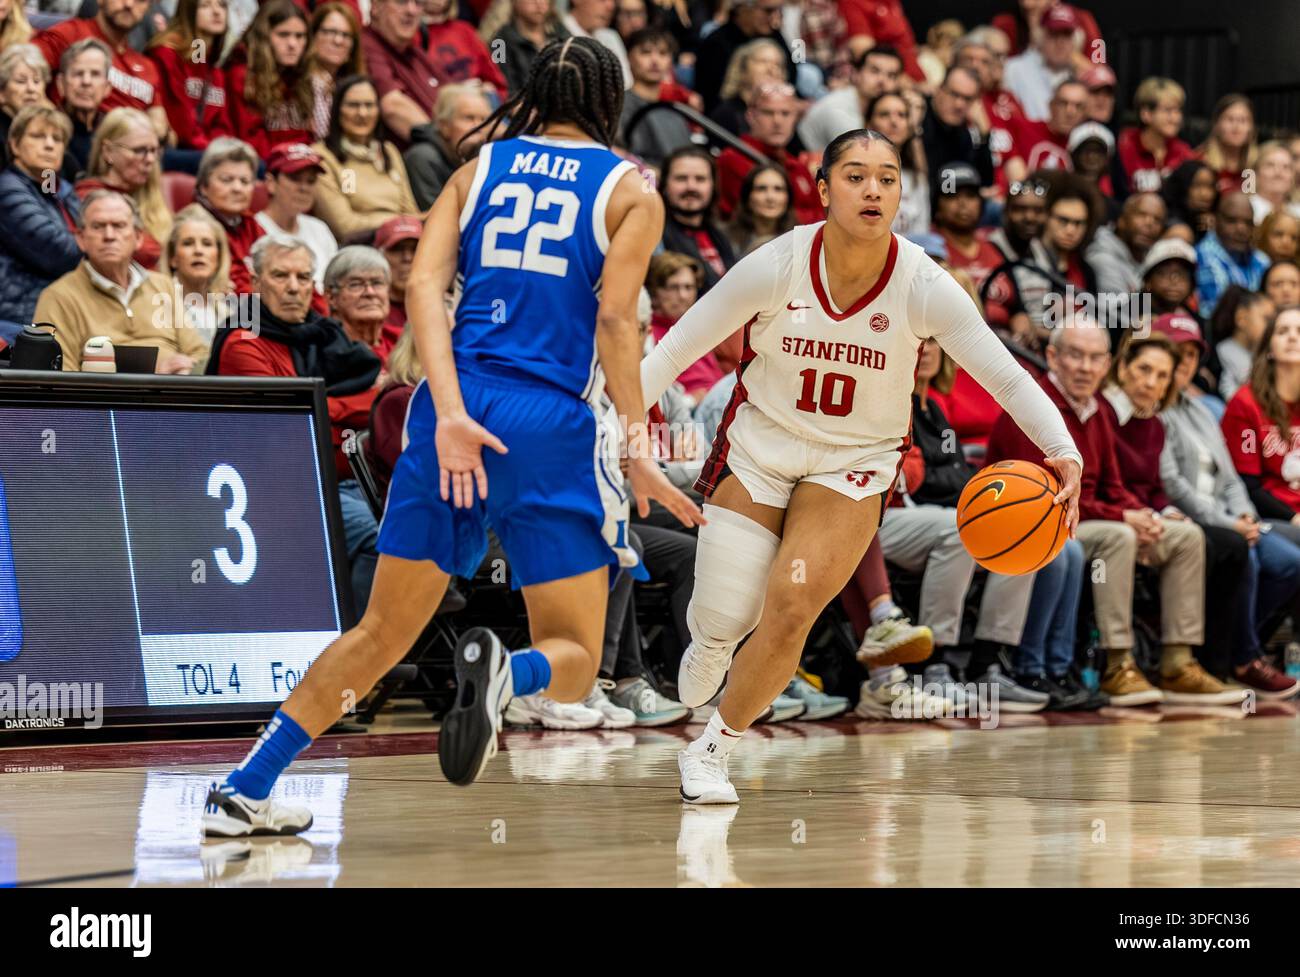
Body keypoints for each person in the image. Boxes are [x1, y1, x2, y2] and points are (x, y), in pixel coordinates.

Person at [200, 37, 702, 834]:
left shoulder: (475, 172)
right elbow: (613, 320)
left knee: (379, 631)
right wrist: (640, 447)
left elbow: (424, 285)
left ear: (533, 90)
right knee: (571, 659)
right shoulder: (629, 191)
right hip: (547, 424)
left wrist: (454, 409)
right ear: (611, 101)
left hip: (450, 409)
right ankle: (509, 672)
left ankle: (246, 785)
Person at [638, 128, 1083, 803]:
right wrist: (608, 433)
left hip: (851, 466)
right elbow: (670, 354)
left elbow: (1010, 378)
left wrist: (1064, 449)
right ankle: (715, 637)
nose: (872, 188)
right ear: (821, 189)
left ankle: (712, 748)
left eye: (887, 176)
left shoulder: (924, 284)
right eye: (854, 174)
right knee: (724, 614)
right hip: (761, 445)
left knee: (790, 607)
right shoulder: (774, 264)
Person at [986, 318, 1213, 708]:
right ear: (1052, 357)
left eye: (1095, 358)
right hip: (1040, 523)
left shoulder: (1098, 410)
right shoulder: (1031, 407)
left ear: (1107, 365)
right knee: (1118, 536)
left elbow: (1113, 486)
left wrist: (1144, 515)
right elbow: (1043, 498)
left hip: (1088, 520)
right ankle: (1117, 661)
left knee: (1186, 536)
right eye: (1075, 355)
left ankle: (1178, 661)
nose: (1086, 368)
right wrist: (1123, 519)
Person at [872, 336, 1054, 715]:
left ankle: (986, 662)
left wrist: (956, 482)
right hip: (880, 516)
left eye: (934, 344)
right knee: (958, 533)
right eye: (917, 343)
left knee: (1024, 532)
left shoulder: (935, 410)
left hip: (925, 513)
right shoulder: (889, 400)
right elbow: (920, 477)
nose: (925, 352)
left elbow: (953, 473)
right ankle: (933, 665)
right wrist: (954, 481)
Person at [208, 234, 385, 611]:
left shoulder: (322, 335)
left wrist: (324, 404)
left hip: (346, 481)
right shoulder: (244, 342)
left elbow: (377, 400)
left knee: (426, 527)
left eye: (303, 277)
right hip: (278, 489)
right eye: (280, 276)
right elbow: (290, 420)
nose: (293, 288)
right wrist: (335, 405)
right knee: (378, 539)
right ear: (256, 284)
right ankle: (356, 653)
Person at [1153, 312, 1300, 698]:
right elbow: (1173, 484)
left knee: (1288, 563)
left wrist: (1243, 515)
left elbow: (1232, 479)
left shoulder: (1201, 410)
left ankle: (1245, 645)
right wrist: (1230, 521)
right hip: (1196, 518)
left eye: (1190, 355)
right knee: (1244, 553)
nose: (1183, 363)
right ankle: (1243, 658)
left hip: (1233, 516)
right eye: (1175, 354)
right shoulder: (1156, 412)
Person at [36, 188, 204, 372]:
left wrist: (186, 371)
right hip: (106, 399)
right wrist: (153, 378)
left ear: (138, 237)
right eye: (98, 226)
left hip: (178, 395)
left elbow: (199, 353)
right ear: (81, 238)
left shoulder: (164, 285)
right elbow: (59, 379)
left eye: (119, 225)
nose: (109, 235)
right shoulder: (58, 297)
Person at [0, 104, 81, 341]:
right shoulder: (6, 188)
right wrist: (97, 249)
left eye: (57, 139)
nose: (49, 144)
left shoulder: (63, 190)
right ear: (15, 145)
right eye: (38, 136)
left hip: (61, 310)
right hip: (19, 315)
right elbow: (57, 252)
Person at [32, 0, 169, 140]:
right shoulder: (70, 34)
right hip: (76, 140)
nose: (129, 4)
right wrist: (54, 119)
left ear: (148, 8)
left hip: (132, 150)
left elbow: (161, 125)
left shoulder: (148, 67)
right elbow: (21, 69)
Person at [1222, 307, 1300, 545]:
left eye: (1299, 331)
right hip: (1273, 516)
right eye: (1282, 331)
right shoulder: (1245, 403)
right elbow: (1248, 486)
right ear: (1268, 349)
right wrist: (1294, 517)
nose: (1292, 337)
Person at [312, 75, 419, 240]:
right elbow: (345, 226)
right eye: (353, 105)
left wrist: (403, 224)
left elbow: (411, 213)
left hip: (401, 243)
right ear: (337, 110)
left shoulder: (389, 151)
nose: (362, 113)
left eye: (369, 105)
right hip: (356, 249)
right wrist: (398, 223)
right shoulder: (323, 155)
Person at [76, 107, 170, 270]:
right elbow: (144, 253)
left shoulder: (151, 196)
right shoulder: (89, 197)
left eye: (154, 151)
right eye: (139, 150)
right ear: (108, 151)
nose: (149, 159)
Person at [715, 82, 819, 226]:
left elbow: (821, 215)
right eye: (768, 113)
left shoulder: (797, 166)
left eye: (785, 113)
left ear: (795, 118)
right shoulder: (732, 160)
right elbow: (755, 219)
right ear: (751, 116)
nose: (777, 121)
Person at [147, 0, 233, 159]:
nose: (216, 12)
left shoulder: (212, 69)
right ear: (188, 11)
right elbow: (182, 126)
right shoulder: (167, 55)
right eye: (205, 5)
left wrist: (225, 150)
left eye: (222, 5)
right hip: (176, 151)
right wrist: (218, 154)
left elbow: (221, 126)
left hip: (205, 152)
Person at [227, 0, 312, 159]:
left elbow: (306, 137)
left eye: (300, 36)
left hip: (301, 168)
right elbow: (251, 144)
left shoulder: (301, 77)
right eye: (283, 35)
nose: (293, 44)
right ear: (264, 37)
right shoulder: (242, 76)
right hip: (263, 169)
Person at [361, 0, 450, 146]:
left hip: (453, 140)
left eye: (418, 3)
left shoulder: (415, 51)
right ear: (376, 7)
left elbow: (453, 97)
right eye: (401, 2)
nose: (412, 11)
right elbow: (393, 107)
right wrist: (451, 143)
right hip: (422, 150)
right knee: (422, 156)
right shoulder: (367, 46)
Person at [255, 142, 337, 290]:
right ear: (271, 182)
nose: (304, 188)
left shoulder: (319, 229)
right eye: (295, 178)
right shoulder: (253, 229)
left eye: (311, 181)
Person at [796, 45, 901, 155]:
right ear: (856, 73)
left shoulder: (875, 109)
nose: (882, 80)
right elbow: (860, 159)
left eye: (891, 75)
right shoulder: (839, 110)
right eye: (874, 71)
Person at [658, 145, 736, 292]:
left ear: (713, 186)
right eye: (681, 178)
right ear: (664, 185)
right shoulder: (654, 236)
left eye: (700, 179)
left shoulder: (721, 236)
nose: (691, 186)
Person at [693, 0, 793, 114]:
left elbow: (792, 75)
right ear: (744, 9)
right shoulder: (716, 44)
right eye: (768, 11)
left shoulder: (774, 36)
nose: (775, 18)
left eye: (779, 10)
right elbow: (711, 98)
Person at [404, 82, 490, 210]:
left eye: (483, 119)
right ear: (444, 126)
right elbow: (434, 215)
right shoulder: (422, 157)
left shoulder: (482, 155)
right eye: (469, 118)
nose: (478, 126)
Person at [194, 137, 262, 292]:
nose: (237, 188)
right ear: (204, 185)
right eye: (227, 180)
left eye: (245, 181)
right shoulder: (195, 226)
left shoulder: (251, 224)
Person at [618, 27, 691, 170]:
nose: (655, 60)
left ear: (671, 61)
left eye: (663, 53)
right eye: (646, 52)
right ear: (628, 57)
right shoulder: (618, 105)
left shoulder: (676, 112)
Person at [920, 67, 993, 204]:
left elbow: (984, 182)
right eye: (954, 94)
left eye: (967, 99)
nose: (959, 104)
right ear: (939, 90)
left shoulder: (962, 132)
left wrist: (984, 135)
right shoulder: (919, 114)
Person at [931, 161, 1004, 295]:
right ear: (937, 205)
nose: (962, 203)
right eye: (952, 196)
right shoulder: (930, 252)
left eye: (970, 195)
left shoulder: (995, 247)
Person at [163, 202, 232, 342]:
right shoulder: (159, 305)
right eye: (188, 243)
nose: (198, 251)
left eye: (207, 244)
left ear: (218, 257)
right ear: (173, 257)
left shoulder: (230, 311)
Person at [1196, 191, 1270, 318]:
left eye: (1247, 223)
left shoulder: (1261, 260)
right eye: (1231, 221)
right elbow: (1218, 313)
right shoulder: (1201, 256)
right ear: (1215, 220)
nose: (1241, 229)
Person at [1116, 76, 1194, 195]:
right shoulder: (1124, 144)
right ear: (1146, 114)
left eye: (1178, 111)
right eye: (1168, 111)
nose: (1176, 118)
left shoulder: (1183, 151)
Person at [866, 90, 928, 237]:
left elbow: (922, 233)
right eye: (884, 114)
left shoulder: (916, 177)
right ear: (869, 124)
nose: (894, 122)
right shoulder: (856, 173)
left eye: (902, 115)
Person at [1001, 3, 1077, 122]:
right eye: (1054, 34)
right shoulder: (1013, 69)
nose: (1060, 43)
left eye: (1066, 35)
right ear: (1040, 36)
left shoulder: (1079, 75)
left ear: (1074, 41)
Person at [1003, 78, 1086, 185]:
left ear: (1085, 113)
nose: (1070, 112)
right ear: (1051, 105)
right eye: (1063, 103)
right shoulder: (1021, 128)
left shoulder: (1085, 147)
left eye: (1078, 106)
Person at [421, 0, 506, 100]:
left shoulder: (465, 31)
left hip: (480, 103)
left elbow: (498, 85)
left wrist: (489, 92)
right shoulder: (412, 36)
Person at [1086, 191, 1166, 299]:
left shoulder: (1156, 258)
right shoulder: (1102, 256)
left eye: (1157, 220)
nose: (1150, 223)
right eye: (1142, 215)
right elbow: (1116, 312)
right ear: (1121, 220)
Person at [305, 2, 365, 141]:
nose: (338, 41)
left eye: (346, 35)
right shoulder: (302, 82)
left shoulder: (353, 85)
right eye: (330, 32)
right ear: (313, 35)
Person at [708, 37, 786, 139]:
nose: (771, 69)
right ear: (743, 69)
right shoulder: (726, 115)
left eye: (777, 64)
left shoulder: (785, 115)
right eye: (763, 61)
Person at [489, 0, 570, 98]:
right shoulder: (499, 43)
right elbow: (502, 86)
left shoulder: (562, 35)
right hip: (522, 107)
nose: (539, 3)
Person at [56, 38, 112, 175]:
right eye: (78, 74)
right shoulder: (46, 129)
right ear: (61, 84)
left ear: (107, 87)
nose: (86, 82)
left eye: (95, 74)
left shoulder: (115, 131)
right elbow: (47, 187)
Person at [836, 0, 923, 83]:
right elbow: (866, 55)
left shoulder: (892, 2)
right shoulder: (853, 2)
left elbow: (908, 46)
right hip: (892, 86)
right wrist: (910, 86)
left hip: (918, 77)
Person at [1214, 288, 1274, 403]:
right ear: (1241, 318)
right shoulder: (1221, 352)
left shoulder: (1267, 355)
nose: (1271, 326)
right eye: (1266, 319)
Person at [373, 213, 420, 354]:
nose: (407, 258)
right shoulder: (368, 307)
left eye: (415, 249)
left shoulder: (444, 307)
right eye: (397, 249)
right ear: (378, 256)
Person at [723, 162, 792, 257]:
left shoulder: (799, 241)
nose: (770, 197)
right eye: (761, 189)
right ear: (747, 196)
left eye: (778, 189)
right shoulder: (724, 239)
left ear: (788, 197)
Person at [561, 0, 631, 88]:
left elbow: (626, 84)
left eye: (614, 1)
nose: (611, 6)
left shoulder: (610, 36)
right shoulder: (555, 33)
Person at [1198, 94, 1256, 196]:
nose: (1236, 127)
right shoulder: (1200, 161)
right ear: (1217, 125)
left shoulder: (1258, 163)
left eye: (1243, 120)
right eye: (1229, 119)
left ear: (1251, 128)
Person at [0, 43, 47, 166]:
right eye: (21, 81)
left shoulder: (49, 129)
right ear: (2, 92)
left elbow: (51, 177)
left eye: (37, 81)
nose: (31, 89)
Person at [1160, 158, 1218, 244]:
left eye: (1210, 186)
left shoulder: (1211, 219)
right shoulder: (1168, 220)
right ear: (1182, 186)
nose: (1205, 194)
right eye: (1197, 185)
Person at [1249, 141, 1300, 225]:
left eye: (1286, 167)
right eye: (1270, 165)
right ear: (1256, 172)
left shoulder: (1298, 211)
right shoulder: (1245, 209)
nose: (1278, 172)